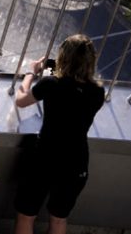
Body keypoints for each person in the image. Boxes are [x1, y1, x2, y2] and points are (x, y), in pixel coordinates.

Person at [13, 35, 105, 234]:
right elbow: (74, 91)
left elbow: (21, 100)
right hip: (76, 162)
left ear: (63, 57)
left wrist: (30, 72)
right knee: (58, 220)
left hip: (45, 157)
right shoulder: (98, 92)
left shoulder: (51, 84)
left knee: (26, 216)